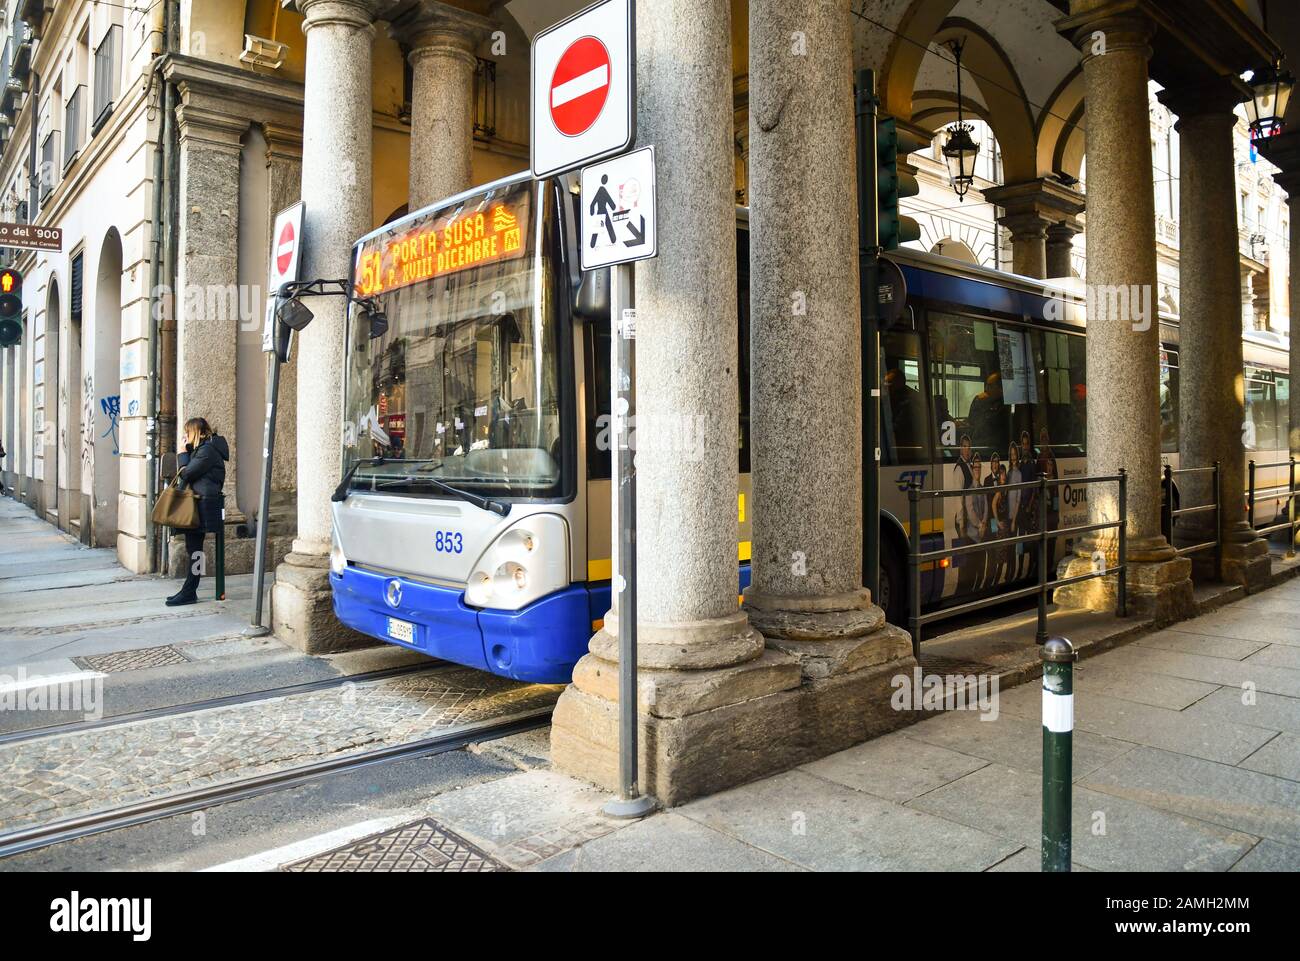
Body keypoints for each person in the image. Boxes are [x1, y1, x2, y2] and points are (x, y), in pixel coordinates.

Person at [167, 417, 229, 607]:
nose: (185, 436)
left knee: (195, 551)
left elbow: (186, 473)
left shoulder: (207, 451)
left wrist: (181, 453)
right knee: (194, 550)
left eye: (187, 432)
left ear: (198, 432)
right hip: (198, 504)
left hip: (203, 506)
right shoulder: (202, 450)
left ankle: (190, 591)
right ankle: (189, 589)